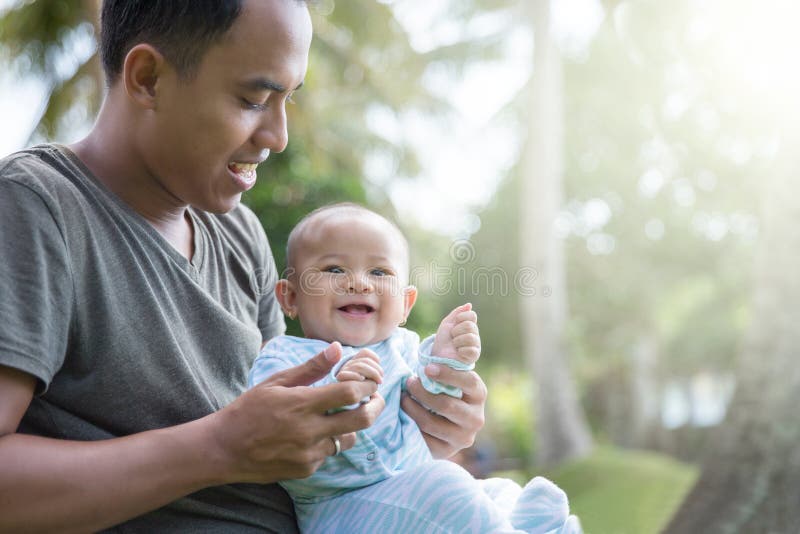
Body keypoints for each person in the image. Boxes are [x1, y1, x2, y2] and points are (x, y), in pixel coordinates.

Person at [0, 1, 487, 531]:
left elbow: (291, 439)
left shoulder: (239, 234)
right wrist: (217, 447)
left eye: (287, 100)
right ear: (148, 78)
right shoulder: (34, 207)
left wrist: (419, 425)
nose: (278, 136)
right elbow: (240, 443)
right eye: (254, 99)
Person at [250, 203, 582, 533]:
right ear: (290, 297)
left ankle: (531, 526)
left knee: (499, 490)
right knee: (447, 485)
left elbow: (431, 405)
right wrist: (336, 392)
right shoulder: (284, 357)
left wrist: (447, 363)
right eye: (335, 269)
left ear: (406, 304)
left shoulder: (406, 349)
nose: (359, 283)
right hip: (344, 509)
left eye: (379, 272)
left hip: (413, 488)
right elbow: (269, 421)